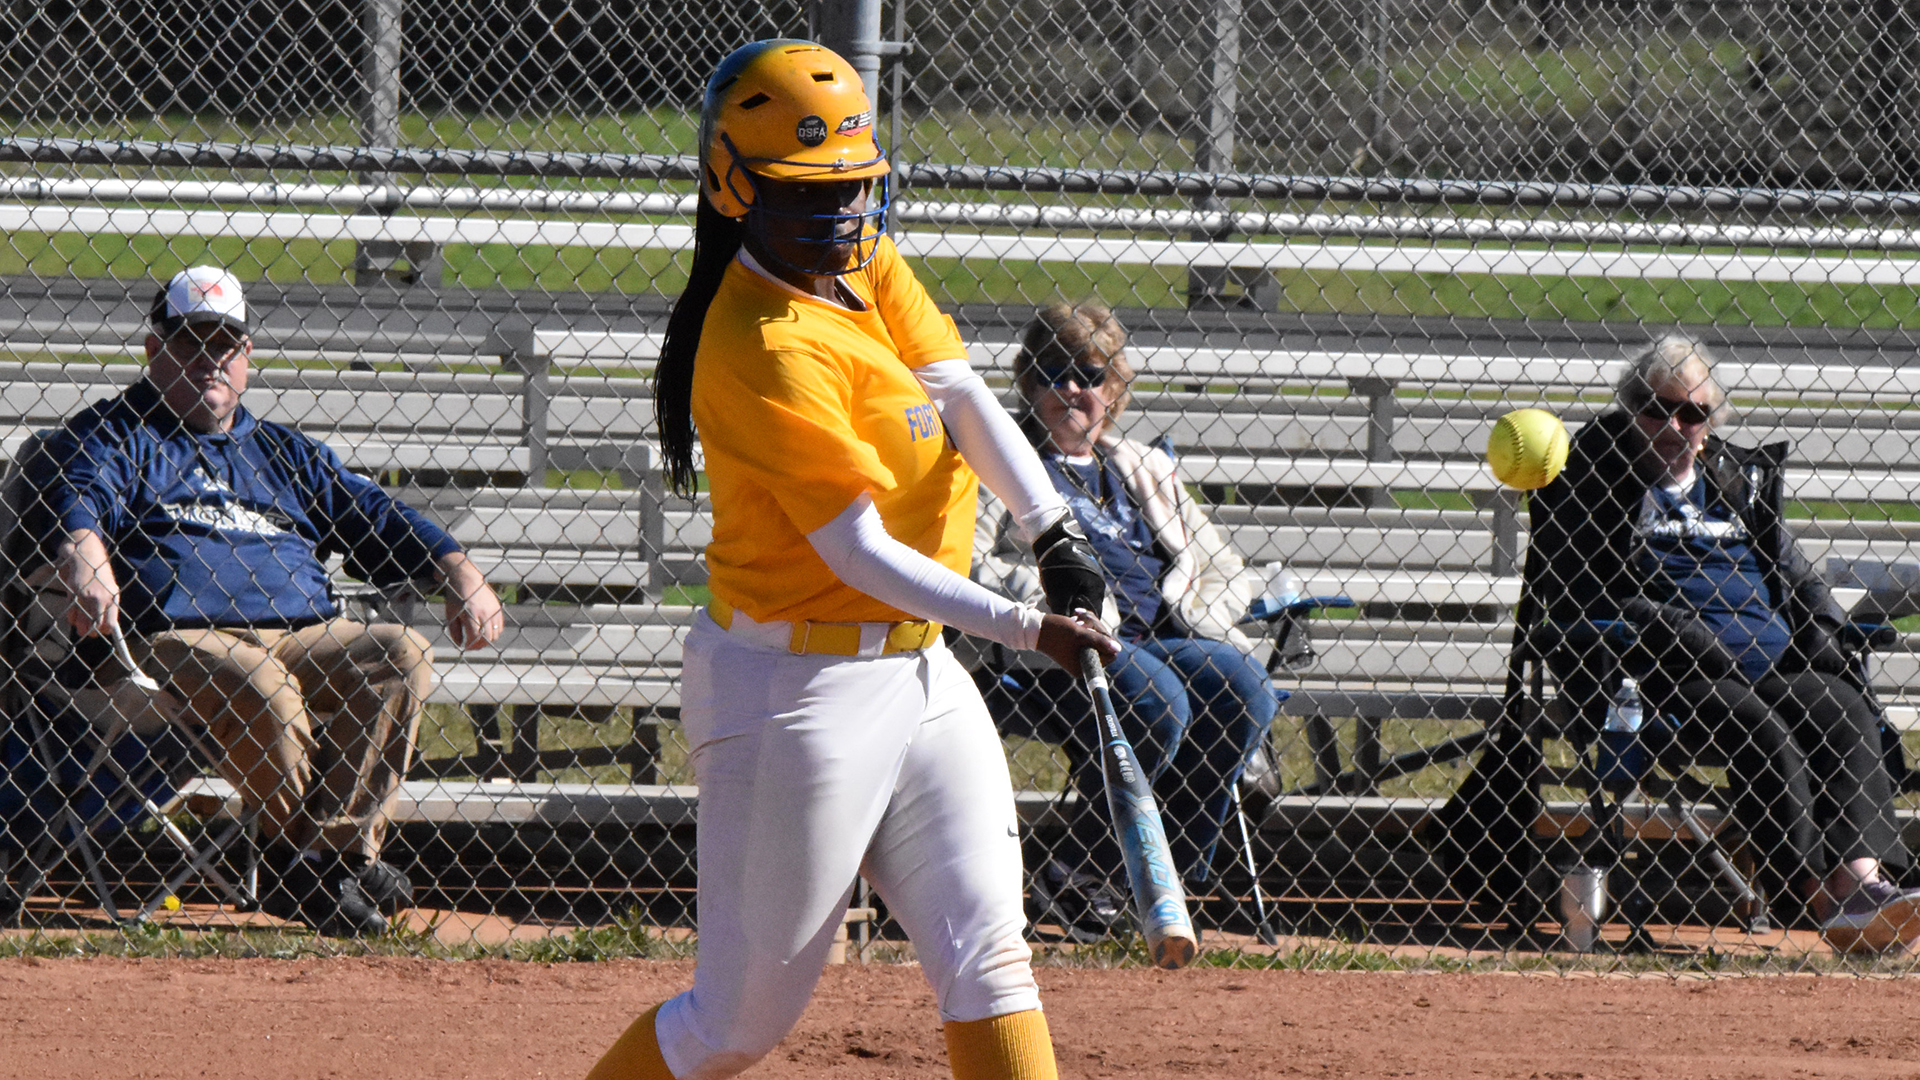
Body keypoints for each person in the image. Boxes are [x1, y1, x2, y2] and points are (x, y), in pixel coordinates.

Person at [581, 40, 1117, 1080]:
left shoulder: (859, 263)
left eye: (850, 190)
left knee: (991, 959)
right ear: (734, 187)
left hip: (918, 669)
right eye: (801, 195)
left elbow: (959, 395)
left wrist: (1056, 533)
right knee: (735, 1025)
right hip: (797, 691)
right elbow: (857, 551)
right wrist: (1025, 625)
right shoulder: (758, 344)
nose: (835, 218)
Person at [18, 265, 505, 935]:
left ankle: (319, 858)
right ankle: (318, 870)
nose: (209, 360)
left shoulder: (283, 452)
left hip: (302, 632)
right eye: (190, 343)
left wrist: (459, 569)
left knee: (400, 652)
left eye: (224, 344)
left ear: (246, 356)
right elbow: (74, 494)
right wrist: (85, 554)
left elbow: (374, 513)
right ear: (155, 350)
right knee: (261, 681)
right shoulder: (113, 435)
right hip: (169, 645)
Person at [1530, 334, 1920, 953]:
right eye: (1660, 408)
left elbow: (1798, 575)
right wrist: (1690, 636)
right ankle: (1817, 897)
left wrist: (1824, 635)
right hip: (1669, 672)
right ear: (1633, 409)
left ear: (1710, 424)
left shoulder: (1739, 480)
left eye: (1693, 413)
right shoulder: (1594, 484)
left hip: (1771, 661)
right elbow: (1590, 590)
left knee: (1840, 707)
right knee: (1760, 726)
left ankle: (1864, 884)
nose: (1675, 425)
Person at [972, 302, 1279, 940]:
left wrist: (1202, 617)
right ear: (1028, 383)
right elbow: (965, 561)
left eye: (1089, 374)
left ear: (1114, 390)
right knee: (1161, 700)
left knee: (1244, 685)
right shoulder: (1000, 461)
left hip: (1167, 637)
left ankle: (1148, 877)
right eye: (1053, 372)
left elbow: (1227, 568)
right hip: (1064, 650)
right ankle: (1093, 870)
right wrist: (1049, 596)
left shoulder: (1144, 467)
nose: (1071, 389)